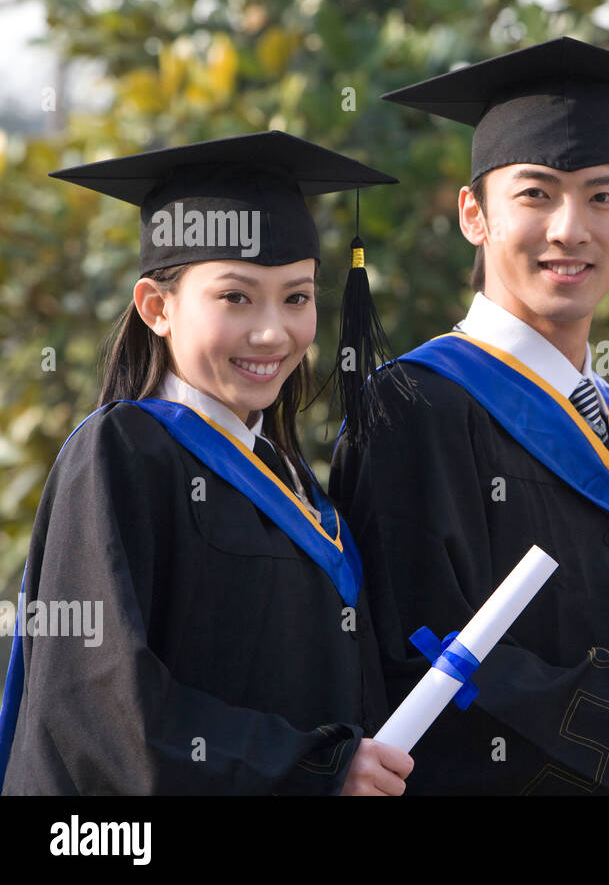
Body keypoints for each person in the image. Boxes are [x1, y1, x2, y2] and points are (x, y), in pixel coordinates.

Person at [331, 37, 609, 794]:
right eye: (535, 194)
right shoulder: (412, 406)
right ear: (474, 214)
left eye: (602, 195)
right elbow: (408, 648)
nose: (570, 228)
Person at [0, 131, 414, 795]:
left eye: (297, 297)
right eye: (236, 297)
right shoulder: (122, 453)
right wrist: (315, 769)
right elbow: (101, 704)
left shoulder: (295, 483)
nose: (273, 332)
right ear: (157, 308)